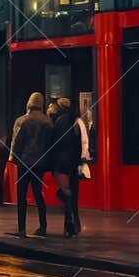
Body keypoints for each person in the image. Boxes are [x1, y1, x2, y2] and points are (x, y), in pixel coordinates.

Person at [8, 91, 52, 237]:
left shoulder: (22, 121)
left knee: (21, 195)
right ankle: (43, 226)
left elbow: (17, 142)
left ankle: (22, 228)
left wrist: (14, 158)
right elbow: (50, 144)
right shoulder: (47, 122)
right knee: (38, 194)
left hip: (24, 163)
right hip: (40, 164)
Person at [48, 97, 83, 238]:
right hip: (73, 161)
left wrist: (52, 162)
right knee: (72, 193)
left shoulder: (60, 122)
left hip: (62, 162)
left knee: (65, 193)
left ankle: (70, 224)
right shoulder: (76, 121)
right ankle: (74, 223)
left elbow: (56, 144)